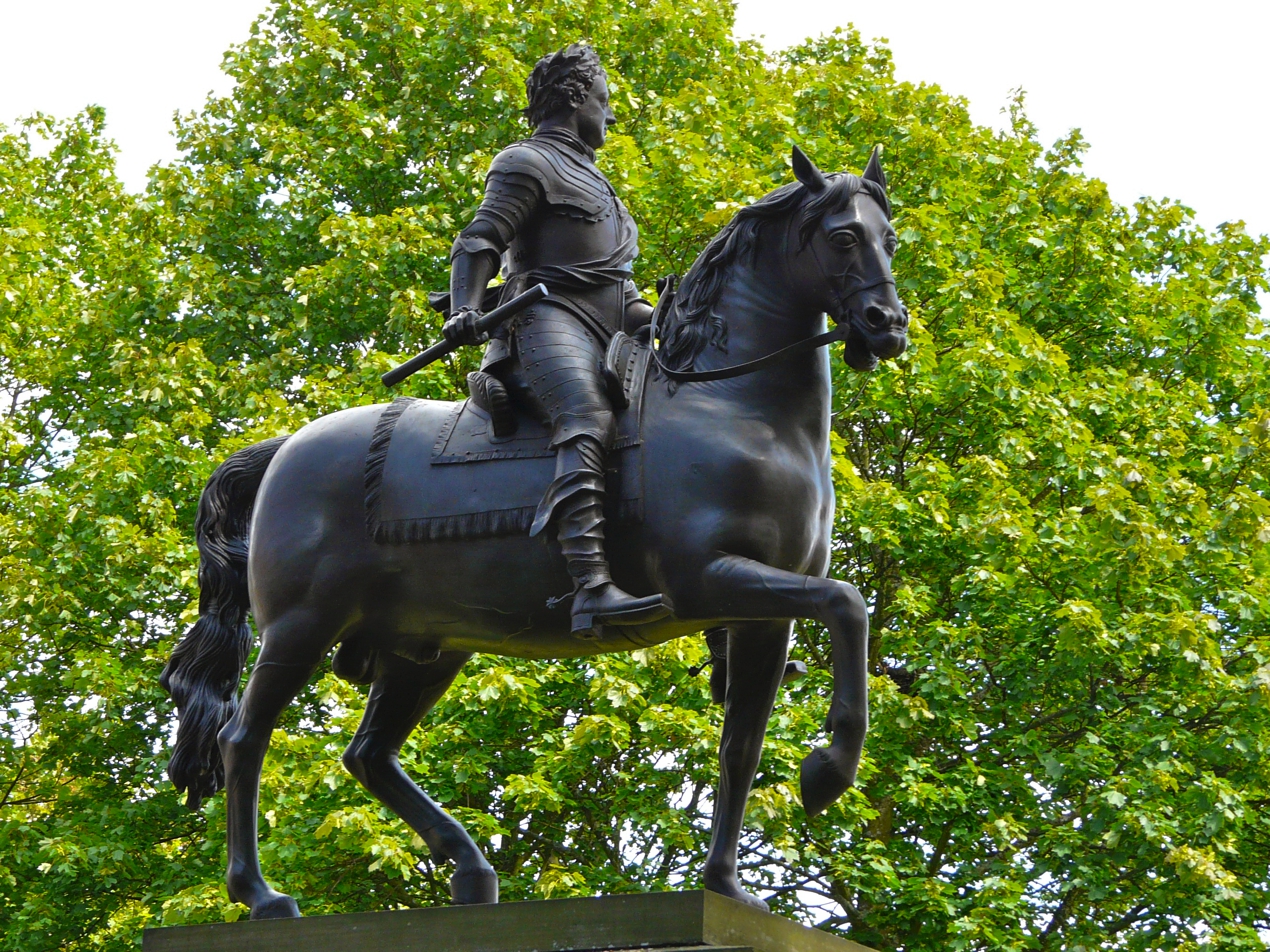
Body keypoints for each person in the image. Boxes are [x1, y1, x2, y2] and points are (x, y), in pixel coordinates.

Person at [443, 44, 671, 636]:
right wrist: (466, 308)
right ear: (575, 98)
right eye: (604, 101)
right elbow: (481, 239)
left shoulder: (601, 186)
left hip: (611, 327)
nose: (611, 116)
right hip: (543, 321)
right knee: (587, 417)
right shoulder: (528, 161)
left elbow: (617, 289)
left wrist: (668, 315)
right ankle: (590, 587)